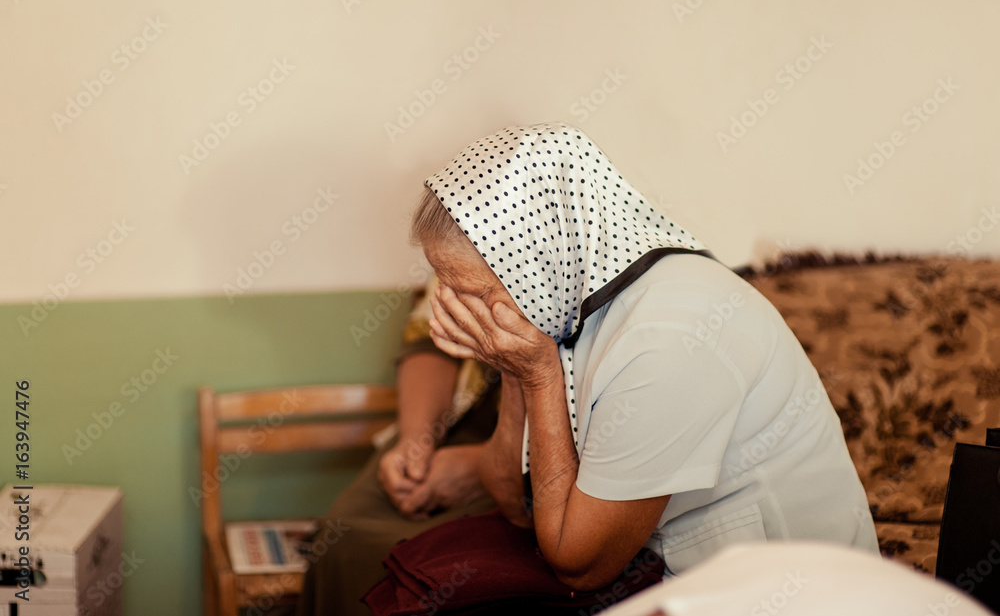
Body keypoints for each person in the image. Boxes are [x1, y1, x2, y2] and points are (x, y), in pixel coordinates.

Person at [409, 122, 879, 593]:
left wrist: (537, 377)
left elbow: (579, 564)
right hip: (676, 574)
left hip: (788, 592)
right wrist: (512, 369)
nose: (451, 308)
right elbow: (514, 503)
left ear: (539, 264)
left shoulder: (673, 336)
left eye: (468, 291)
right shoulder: (564, 306)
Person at [296, 279, 500, 616]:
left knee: (426, 570)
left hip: (537, 457)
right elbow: (429, 339)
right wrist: (415, 444)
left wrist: (486, 466)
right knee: (345, 539)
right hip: (450, 422)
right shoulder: (465, 237)